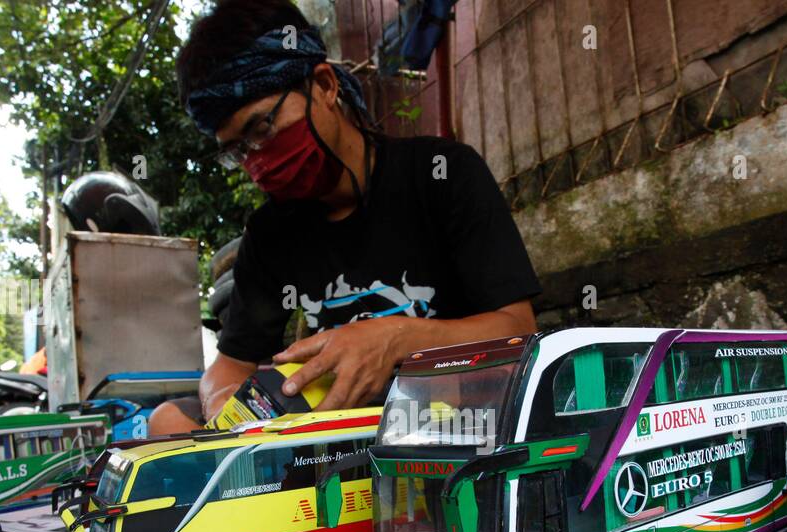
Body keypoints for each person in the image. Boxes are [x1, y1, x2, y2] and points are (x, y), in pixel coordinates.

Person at [149, 0, 540, 435]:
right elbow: (229, 367)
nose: (256, 162)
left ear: (324, 85)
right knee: (167, 423)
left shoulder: (442, 174)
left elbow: (517, 331)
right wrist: (223, 404)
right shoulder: (272, 234)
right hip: (334, 440)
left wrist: (397, 339)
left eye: (262, 129)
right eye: (238, 150)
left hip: (452, 423)